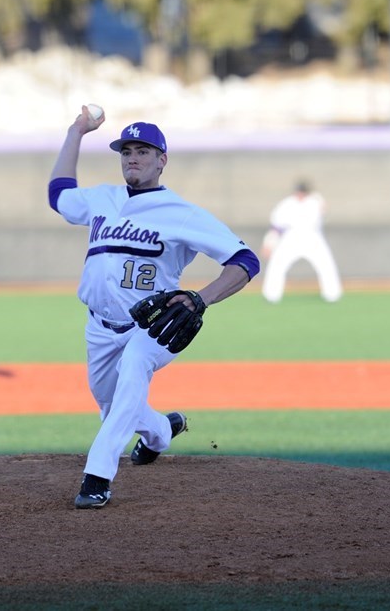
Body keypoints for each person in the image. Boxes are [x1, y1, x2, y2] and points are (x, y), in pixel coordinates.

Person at [49, 106, 260, 509]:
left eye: (143, 151)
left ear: (162, 160)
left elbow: (245, 260)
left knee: (131, 379)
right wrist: (76, 132)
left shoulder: (181, 213)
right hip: (99, 325)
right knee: (113, 403)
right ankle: (162, 431)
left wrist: (202, 298)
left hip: (153, 324)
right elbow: (58, 194)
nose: (133, 157)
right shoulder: (102, 199)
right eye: (126, 150)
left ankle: (97, 477)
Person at [260, 180, 343, 304]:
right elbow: (276, 227)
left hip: (312, 237)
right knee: (277, 265)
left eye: (303, 191)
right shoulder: (286, 204)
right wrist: (269, 243)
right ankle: (271, 295)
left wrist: (317, 198)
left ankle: (332, 294)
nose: (301, 194)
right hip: (291, 237)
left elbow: (324, 213)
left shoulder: (315, 201)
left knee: (326, 265)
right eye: (299, 191)